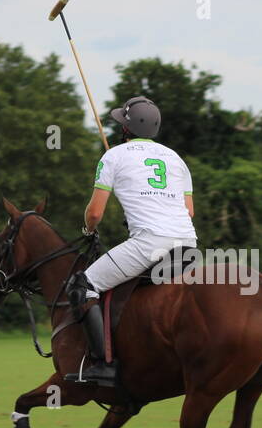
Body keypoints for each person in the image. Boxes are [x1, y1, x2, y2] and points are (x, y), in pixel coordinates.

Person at [63, 95, 197, 386]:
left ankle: (102, 365)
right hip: (188, 244)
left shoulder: (113, 156)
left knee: (83, 285)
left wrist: (87, 230)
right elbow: (189, 211)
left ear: (126, 129)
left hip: (149, 244)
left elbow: (95, 213)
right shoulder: (175, 158)